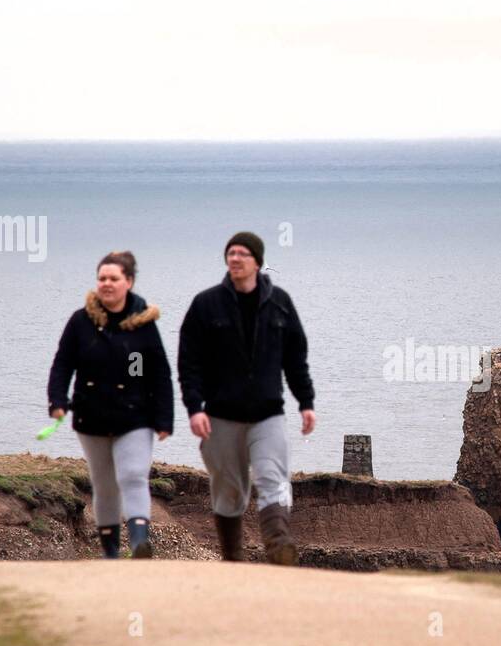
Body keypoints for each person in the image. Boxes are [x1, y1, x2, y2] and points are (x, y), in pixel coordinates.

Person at [177, 231, 315, 564]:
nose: (235, 258)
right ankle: (233, 559)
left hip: (268, 415)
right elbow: (189, 362)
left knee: (272, 478)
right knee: (228, 490)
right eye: (231, 253)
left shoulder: (280, 303)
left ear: (257, 261)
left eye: (242, 253)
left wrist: (306, 402)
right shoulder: (206, 304)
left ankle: (279, 545)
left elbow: (295, 358)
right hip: (221, 416)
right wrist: (195, 408)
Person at [47, 251, 173, 559]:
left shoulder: (143, 324)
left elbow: (159, 373)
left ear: (128, 282)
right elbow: (63, 364)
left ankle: (140, 541)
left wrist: (163, 419)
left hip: (135, 417)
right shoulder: (80, 321)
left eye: (114, 278)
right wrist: (58, 400)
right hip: (92, 417)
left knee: (133, 475)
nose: (107, 283)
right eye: (102, 278)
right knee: (104, 484)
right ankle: (110, 552)